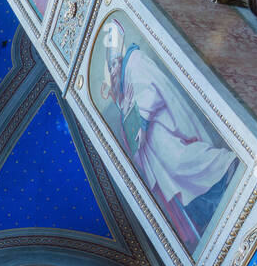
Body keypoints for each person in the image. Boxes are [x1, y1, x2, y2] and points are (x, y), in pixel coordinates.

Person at [100, 18, 238, 252]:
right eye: (110, 67)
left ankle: (225, 166)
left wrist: (142, 123)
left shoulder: (134, 61)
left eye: (114, 64)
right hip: (151, 146)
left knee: (181, 161)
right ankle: (210, 204)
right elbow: (127, 112)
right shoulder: (121, 85)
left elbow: (150, 89)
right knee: (174, 180)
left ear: (120, 57)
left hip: (161, 126)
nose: (114, 70)